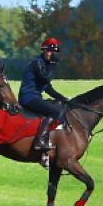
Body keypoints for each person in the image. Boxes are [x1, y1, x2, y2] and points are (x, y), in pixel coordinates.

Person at [19, 36, 69, 164]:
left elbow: (47, 88)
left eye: (53, 52)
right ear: (44, 50)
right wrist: (53, 65)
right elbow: (45, 78)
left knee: (58, 106)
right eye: (49, 51)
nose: (50, 54)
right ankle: (40, 141)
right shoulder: (38, 63)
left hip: (35, 97)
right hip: (28, 97)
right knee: (55, 112)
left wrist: (63, 98)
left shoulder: (44, 64)